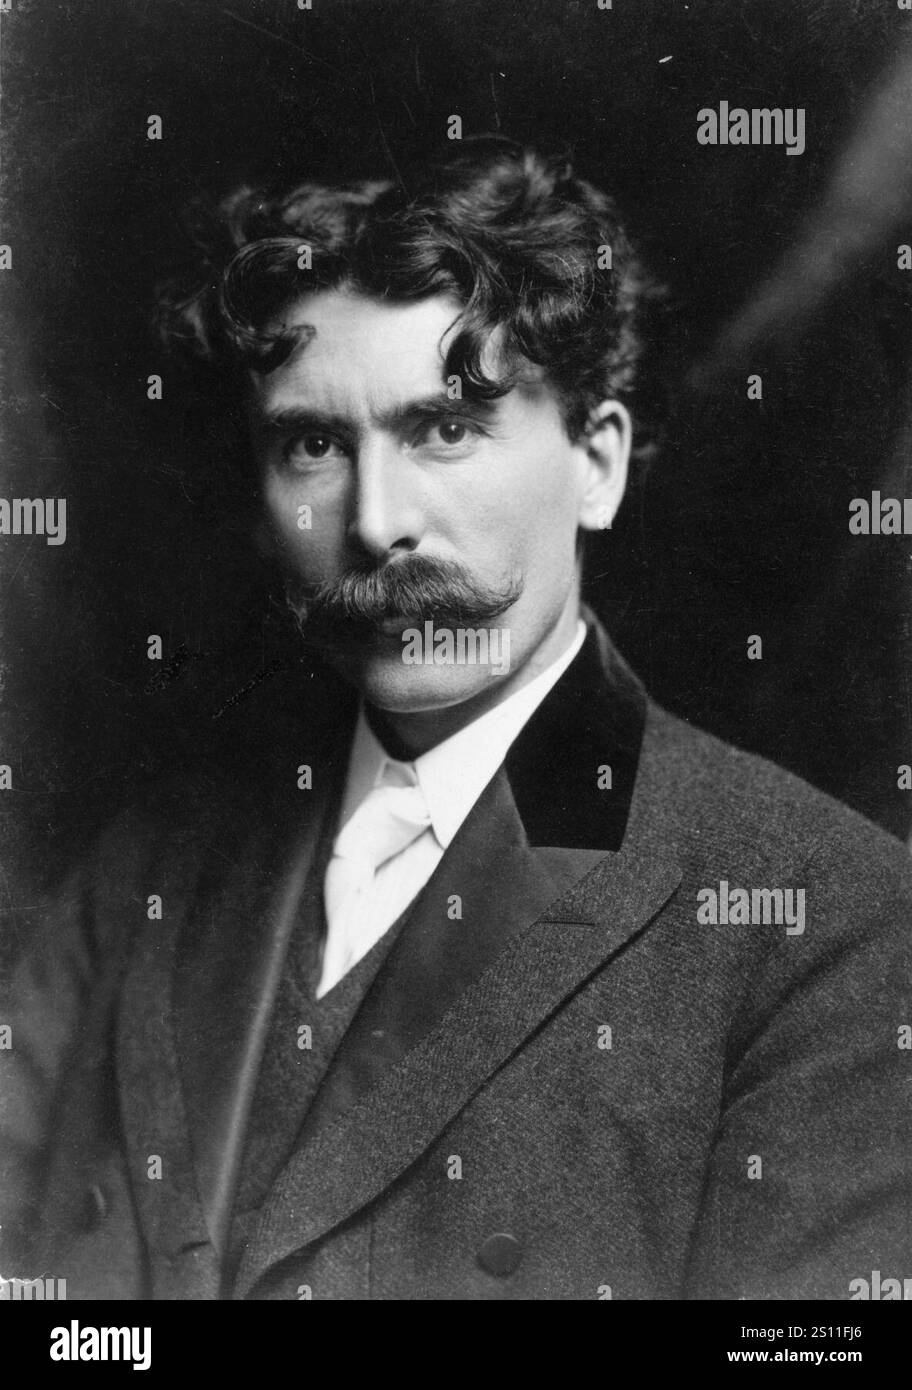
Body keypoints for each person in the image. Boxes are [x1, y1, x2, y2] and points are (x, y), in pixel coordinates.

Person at [2, 137, 910, 1301]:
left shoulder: (831, 934)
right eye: (315, 444)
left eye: (443, 427)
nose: (378, 522)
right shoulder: (141, 878)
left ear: (598, 462)